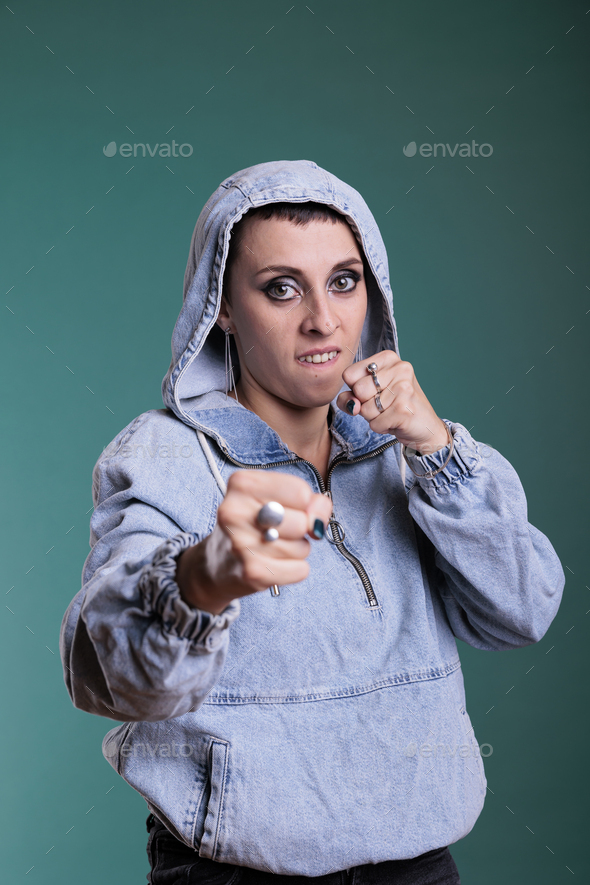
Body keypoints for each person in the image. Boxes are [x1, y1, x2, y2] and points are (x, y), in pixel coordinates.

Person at [59, 159, 565, 884]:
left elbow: (522, 611)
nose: (324, 320)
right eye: (281, 288)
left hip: (416, 869)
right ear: (221, 307)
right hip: (235, 873)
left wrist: (436, 450)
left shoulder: (413, 451)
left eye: (343, 281)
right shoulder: (161, 458)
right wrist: (203, 577)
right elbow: (104, 672)